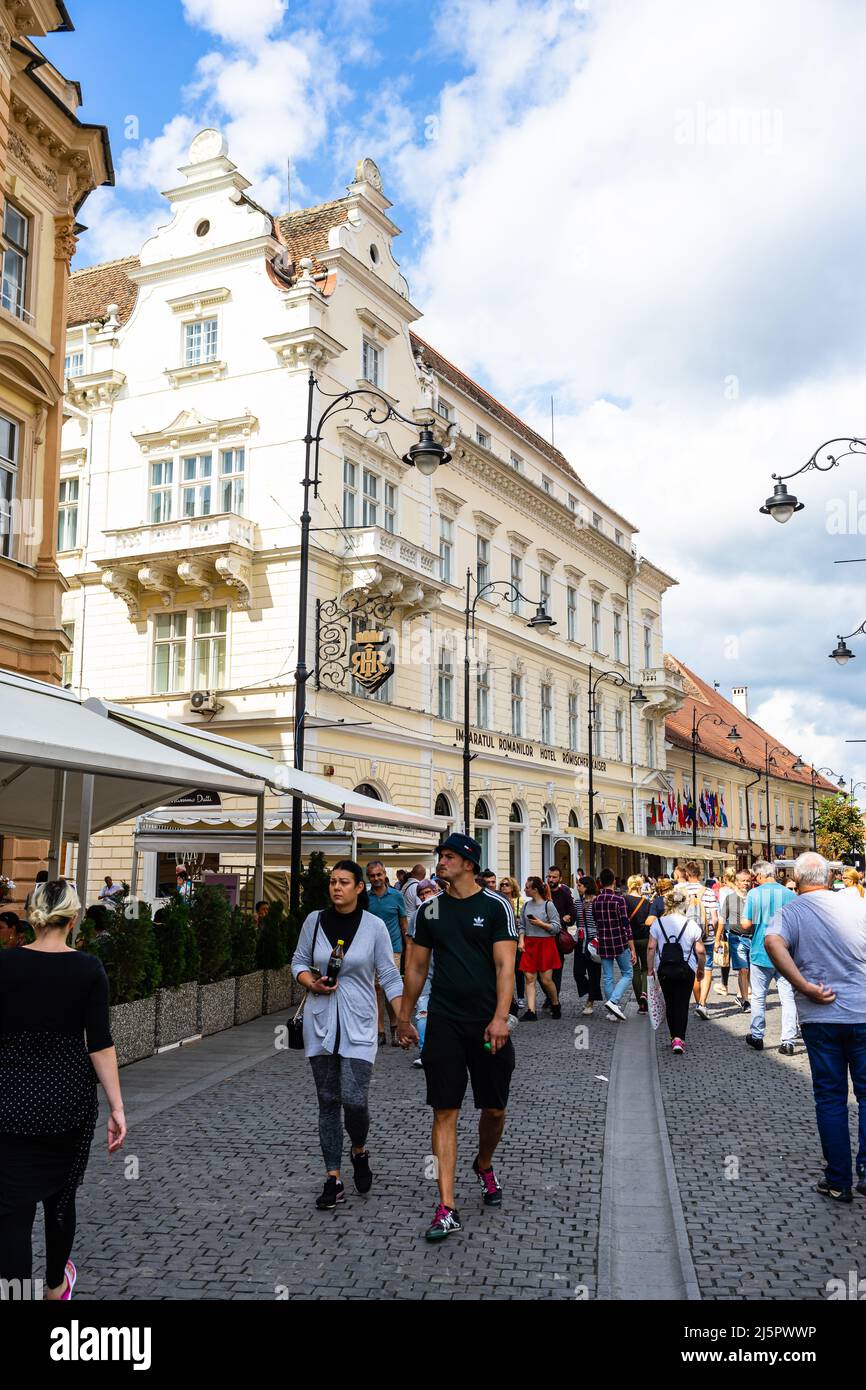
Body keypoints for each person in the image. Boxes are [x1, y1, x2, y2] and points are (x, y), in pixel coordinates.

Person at [0, 879, 126, 1300]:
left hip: (9, 1103)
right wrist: (117, 1107)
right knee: (60, 1201)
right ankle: (56, 1288)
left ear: (33, 917)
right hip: (68, 1105)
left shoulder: (5, 964)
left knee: (11, 1215)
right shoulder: (88, 969)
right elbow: (100, 1043)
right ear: (74, 920)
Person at [396, 833, 518, 1242]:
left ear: (468, 863)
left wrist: (501, 1018)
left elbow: (506, 967)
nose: (440, 863)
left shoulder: (496, 906)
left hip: (487, 1023)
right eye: (440, 856)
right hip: (445, 1021)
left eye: (448, 857)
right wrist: (404, 1016)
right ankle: (446, 1205)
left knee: (494, 1109)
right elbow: (415, 968)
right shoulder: (429, 911)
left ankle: (483, 1162)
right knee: (444, 1109)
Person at [291, 860, 404, 1211]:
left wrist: (403, 1019)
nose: (336, 887)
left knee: (355, 1099)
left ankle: (359, 1148)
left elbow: (388, 974)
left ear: (359, 888)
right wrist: (311, 981)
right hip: (321, 1021)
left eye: (343, 882)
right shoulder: (314, 921)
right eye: (332, 882)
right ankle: (333, 1178)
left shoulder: (374, 927)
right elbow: (298, 961)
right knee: (328, 1101)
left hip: (358, 1022)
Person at [764, 851, 866, 1202]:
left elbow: (772, 942)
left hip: (821, 1018)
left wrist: (802, 985)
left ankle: (838, 1181)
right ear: (827, 877)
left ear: (796, 878)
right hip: (863, 1014)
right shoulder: (856, 906)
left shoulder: (790, 912)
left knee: (831, 1098)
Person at [741, 861, 796, 1055]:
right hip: (785, 953)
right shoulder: (790, 894)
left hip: (760, 950)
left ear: (760, 876)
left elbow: (746, 924)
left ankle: (757, 1036)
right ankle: (788, 1041)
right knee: (788, 998)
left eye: (755, 878)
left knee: (758, 996)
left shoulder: (754, 894)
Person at [646, 883, 706, 1053]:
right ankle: (680, 1039)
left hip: (664, 968)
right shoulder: (691, 924)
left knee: (670, 1002)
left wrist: (650, 969)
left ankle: (674, 1037)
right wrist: (701, 968)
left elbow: (651, 947)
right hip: (687, 969)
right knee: (682, 1003)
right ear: (684, 905)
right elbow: (700, 950)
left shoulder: (658, 924)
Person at [365, 861, 408, 1047]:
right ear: (368, 877)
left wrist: (409, 951)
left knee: (390, 988)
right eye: (372, 876)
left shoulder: (397, 896)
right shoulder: (365, 898)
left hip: (393, 948)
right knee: (376, 989)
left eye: (378, 875)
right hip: (371, 949)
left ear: (384, 875)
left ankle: (394, 1025)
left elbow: (404, 925)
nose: (376, 879)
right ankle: (379, 1030)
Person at [405, 879, 440, 1068]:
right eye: (422, 894)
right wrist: (409, 969)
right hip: (424, 972)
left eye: (428, 892)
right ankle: (426, 1051)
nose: (425, 897)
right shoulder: (419, 914)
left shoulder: (446, 910)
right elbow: (410, 943)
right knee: (423, 1012)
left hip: (444, 972)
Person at [593, 868, 636, 1021]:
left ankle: (612, 1011)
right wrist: (632, 948)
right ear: (614, 881)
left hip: (604, 941)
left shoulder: (596, 901)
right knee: (627, 973)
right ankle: (614, 1001)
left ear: (600, 883)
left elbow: (596, 922)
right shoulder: (619, 900)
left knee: (608, 977)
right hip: (619, 941)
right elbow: (626, 925)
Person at [517, 877, 561, 1021]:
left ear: (535, 890)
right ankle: (531, 1011)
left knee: (546, 980)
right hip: (529, 943)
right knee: (529, 978)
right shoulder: (526, 906)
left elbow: (556, 927)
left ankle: (555, 1004)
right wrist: (521, 941)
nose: (525, 890)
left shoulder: (549, 905)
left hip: (546, 944)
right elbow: (522, 925)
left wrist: (541, 924)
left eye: (527, 887)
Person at [716, 869, 753, 1011]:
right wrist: (718, 939)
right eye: (743, 880)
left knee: (749, 969)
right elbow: (721, 919)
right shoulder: (730, 898)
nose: (746, 883)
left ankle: (741, 996)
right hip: (736, 938)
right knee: (743, 969)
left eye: (748, 880)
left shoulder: (753, 897)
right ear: (736, 882)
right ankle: (745, 1001)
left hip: (753, 938)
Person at [545, 866, 575, 1005]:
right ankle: (550, 996)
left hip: (558, 937)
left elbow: (572, 914)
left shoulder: (565, 893)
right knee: (541, 970)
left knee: (557, 970)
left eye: (554, 877)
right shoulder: (542, 892)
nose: (551, 879)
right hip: (542, 936)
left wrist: (568, 917)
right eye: (549, 876)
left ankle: (553, 1000)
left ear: (560, 879)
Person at [573, 877, 603, 1015]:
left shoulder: (598, 901)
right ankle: (591, 990)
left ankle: (590, 1000)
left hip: (595, 940)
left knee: (594, 973)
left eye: (579, 885)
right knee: (578, 972)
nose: (577, 888)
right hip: (580, 940)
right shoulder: (578, 902)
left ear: (587, 886)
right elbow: (574, 919)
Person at [624, 873, 652, 1013]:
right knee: (646, 968)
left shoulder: (624, 900)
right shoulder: (646, 902)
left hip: (630, 940)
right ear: (641, 886)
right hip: (645, 938)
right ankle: (644, 993)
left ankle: (641, 1005)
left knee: (635, 969)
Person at [500, 877, 527, 1009]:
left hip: (516, 938)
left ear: (512, 887)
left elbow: (523, 920)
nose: (504, 887)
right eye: (502, 885)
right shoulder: (498, 901)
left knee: (518, 969)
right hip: (503, 939)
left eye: (507, 885)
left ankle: (521, 997)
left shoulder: (520, 901)